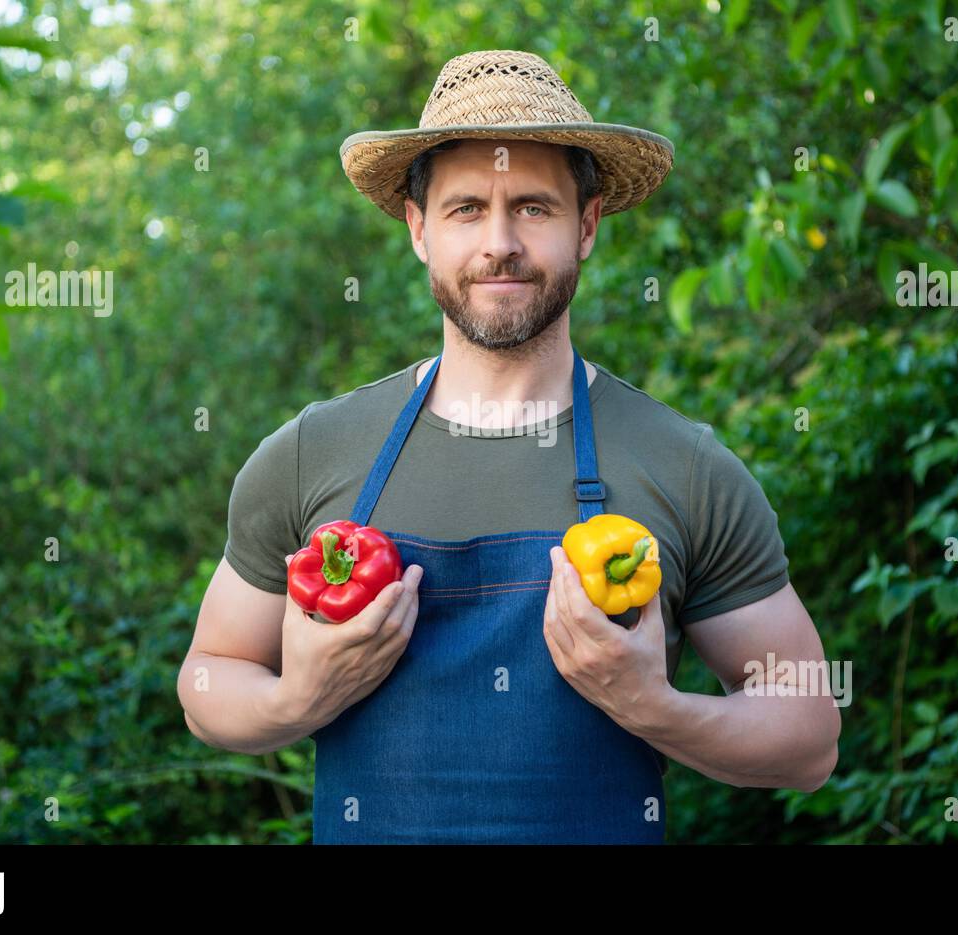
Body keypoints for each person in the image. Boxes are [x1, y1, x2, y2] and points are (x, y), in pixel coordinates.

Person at [177, 49, 839, 844]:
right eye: (465, 209)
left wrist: (653, 706)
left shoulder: (684, 465)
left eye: (532, 207)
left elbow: (807, 736)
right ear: (419, 230)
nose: (500, 243)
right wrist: (299, 700)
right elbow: (208, 682)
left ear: (586, 225)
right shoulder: (312, 451)